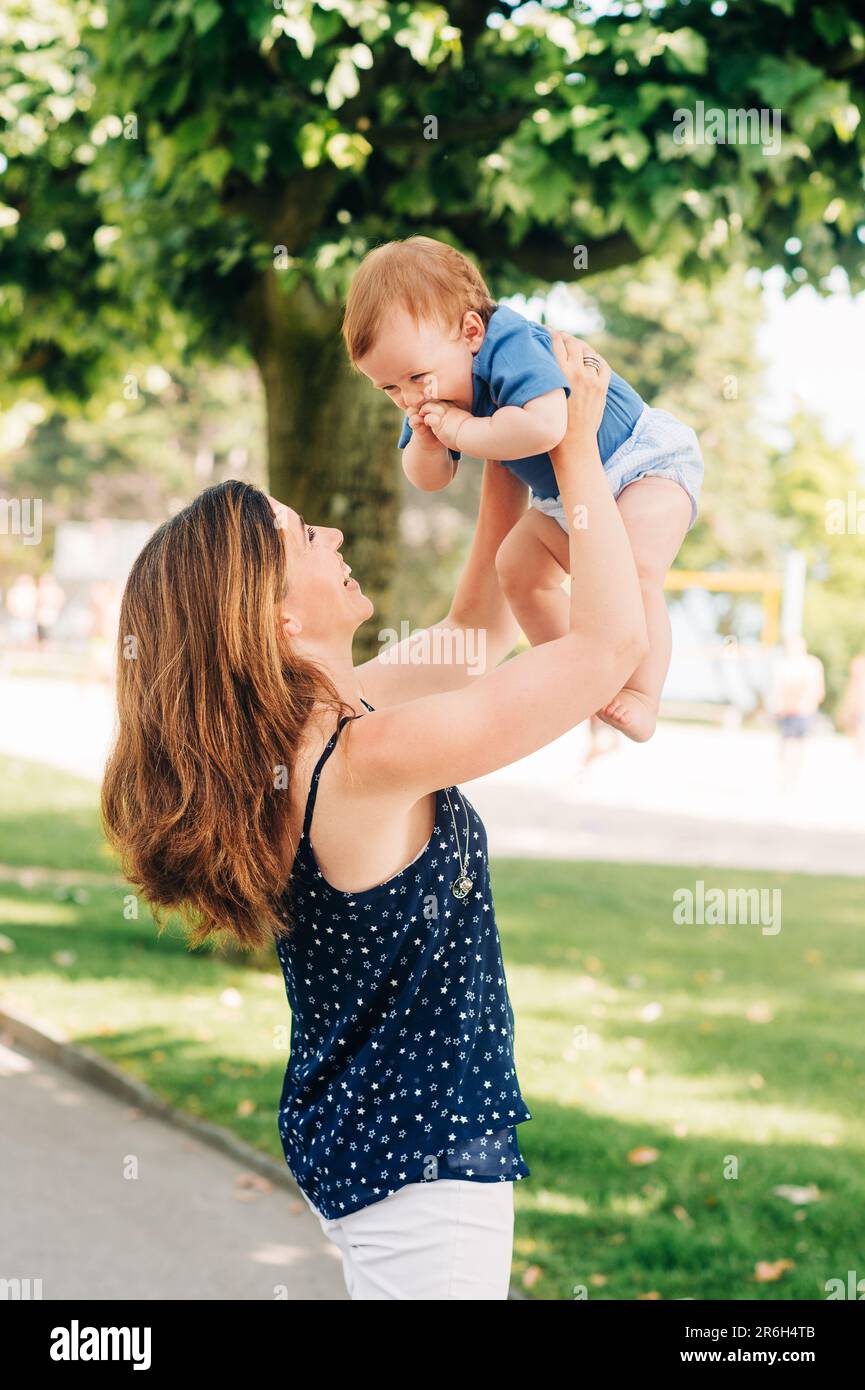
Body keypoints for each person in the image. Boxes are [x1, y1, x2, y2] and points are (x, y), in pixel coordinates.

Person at [100, 332, 647, 1300]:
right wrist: (575, 449)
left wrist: (497, 446)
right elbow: (603, 649)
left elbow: (474, 634)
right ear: (271, 610)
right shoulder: (362, 758)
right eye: (306, 536)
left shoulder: (303, 737)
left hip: (373, 1132)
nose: (336, 537)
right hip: (414, 1157)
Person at [342, 235, 704, 744]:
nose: (408, 397)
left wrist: (465, 432)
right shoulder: (430, 384)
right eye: (389, 388)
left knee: (637, 570)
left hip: (641, 464)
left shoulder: (510, 342)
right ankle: (584, 679)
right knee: (516, 566)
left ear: (471, 331)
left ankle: (644, 694)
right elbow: (429, 477)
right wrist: (426, 440)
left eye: (414, 378)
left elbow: (548, 426)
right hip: (566, 498)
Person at [769, 634, 826, 787]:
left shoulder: (810, 664)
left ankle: (791, 775)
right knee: (789, 743)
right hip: (788, 710)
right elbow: (777, 689)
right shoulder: (784, 664)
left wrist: (811, 704)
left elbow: (817, 689)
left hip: (802, 711)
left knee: (794, 743)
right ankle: (788, 774)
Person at [837, 654, 865, 760]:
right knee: (860, 729)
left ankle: (860, 752)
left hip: (860, 708)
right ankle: (860, 752)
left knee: (860, 729)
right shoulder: (856, 683)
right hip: (859, 709)